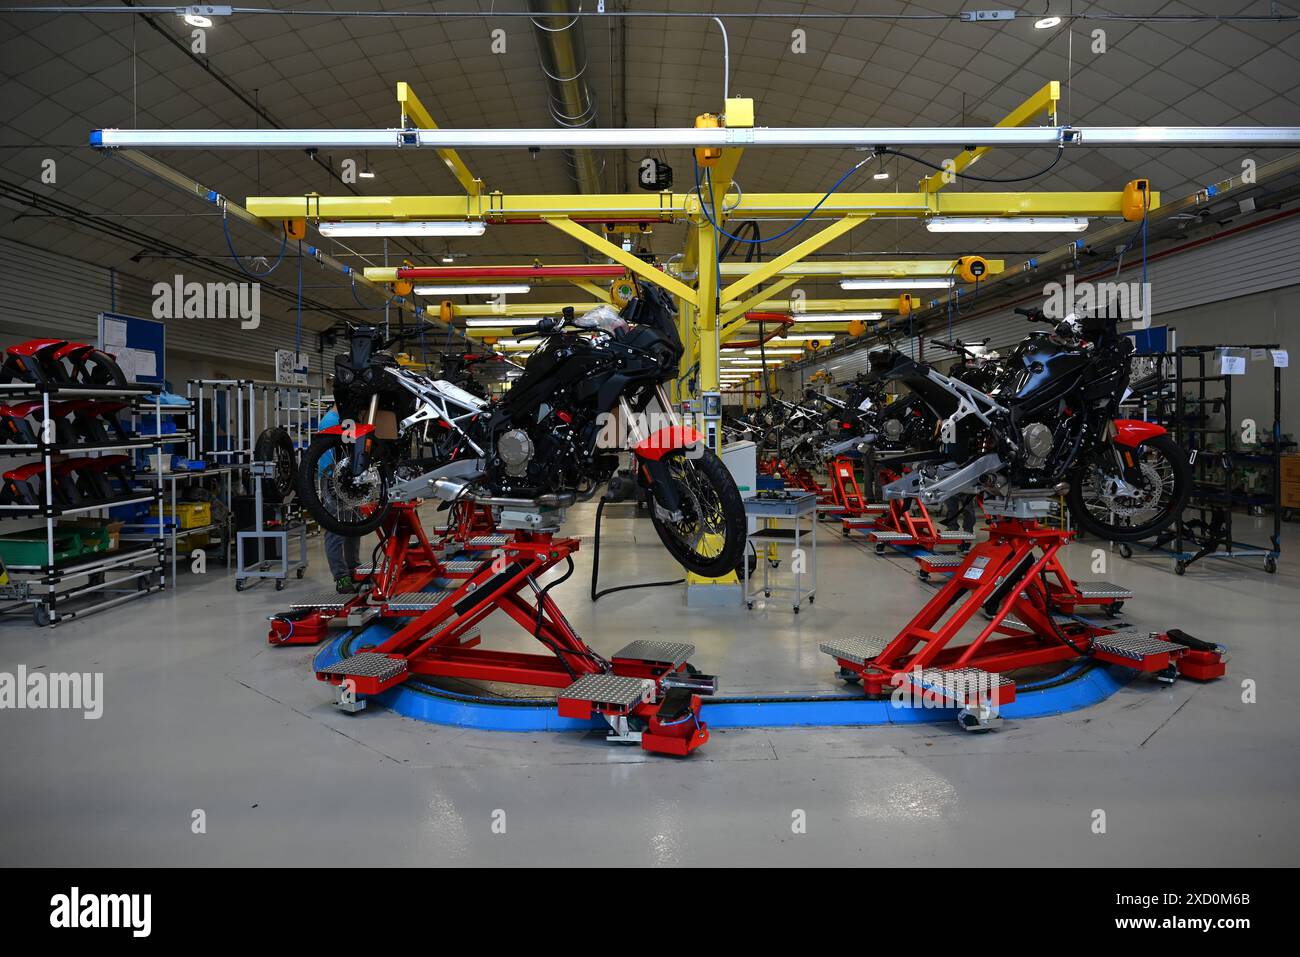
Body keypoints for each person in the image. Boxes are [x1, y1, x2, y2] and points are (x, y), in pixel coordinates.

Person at [315, 405, 362, 593]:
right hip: (332, 479)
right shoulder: (332, 421)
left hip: (349, 478)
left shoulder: (346, 420)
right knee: (336, 528)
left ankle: (353, 567)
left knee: (354, 526)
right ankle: (341, 576)